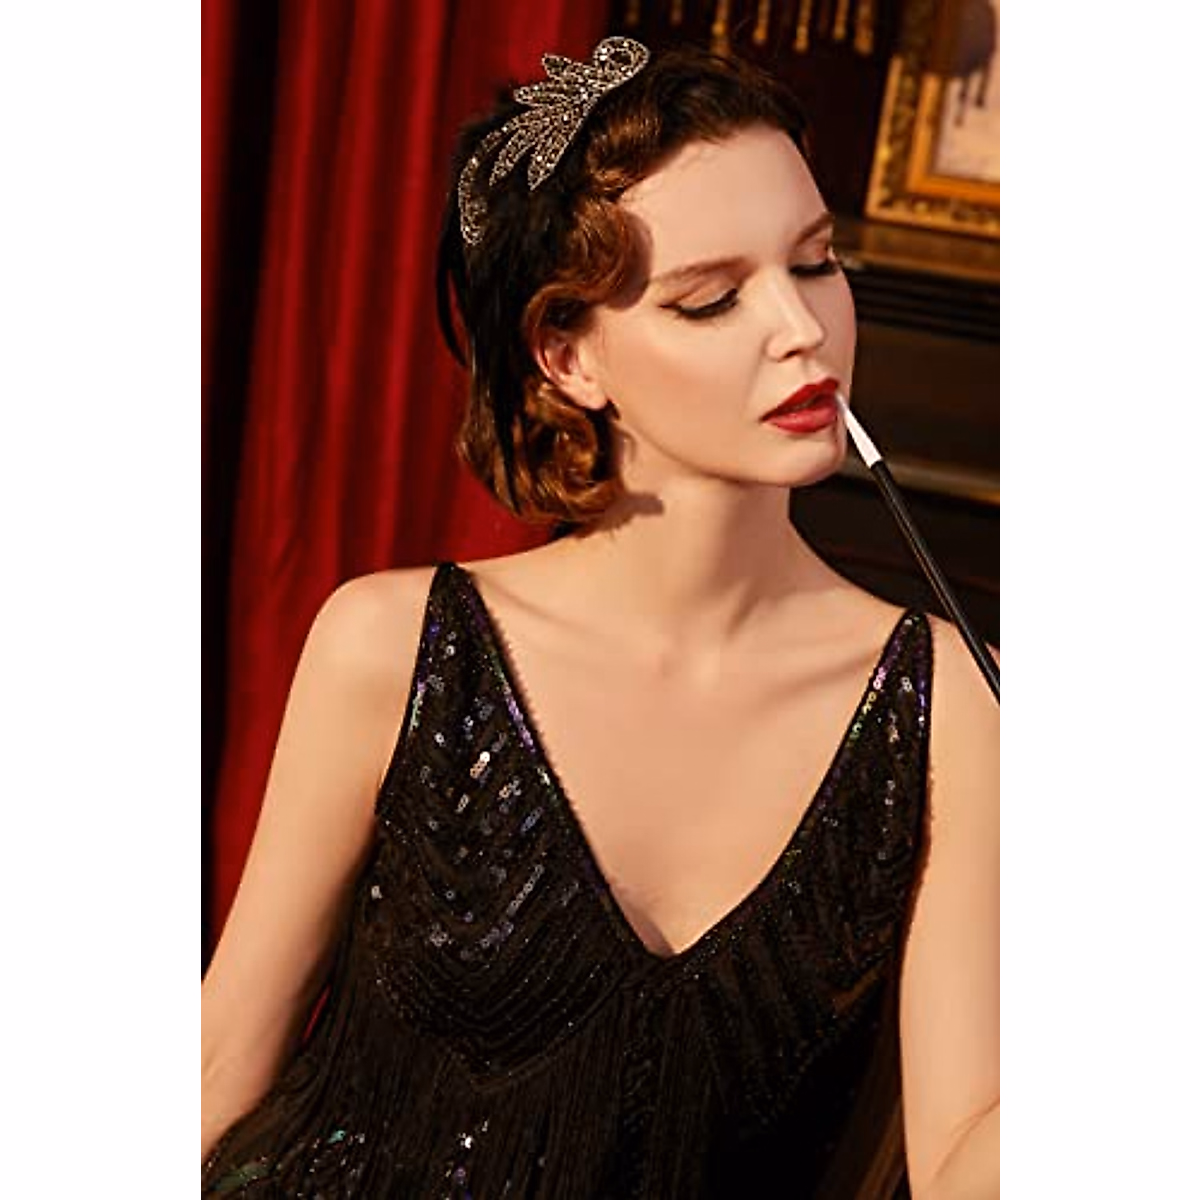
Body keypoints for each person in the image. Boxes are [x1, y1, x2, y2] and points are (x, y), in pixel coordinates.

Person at [201, 37, 998, 1199]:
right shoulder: (390, 646)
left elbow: (967, 1155)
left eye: (816, 262)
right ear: (569, 356)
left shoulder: (955, 703)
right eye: (712, 298)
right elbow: (220, 1065)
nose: (802, 327)